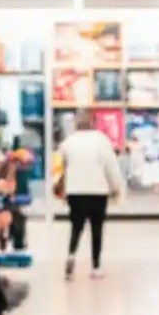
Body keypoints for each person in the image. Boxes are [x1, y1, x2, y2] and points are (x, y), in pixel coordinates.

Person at [56, 109, 124, 279]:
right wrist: (116, 187)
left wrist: (59, 188)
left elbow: (59, 167)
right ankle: (96, 266)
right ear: (93, 122)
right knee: (97, 229)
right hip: (97, 191)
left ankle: (71, 254)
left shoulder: (68, 142)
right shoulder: (102, 141)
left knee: (76, 227)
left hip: (75, 191)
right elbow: (111, 167)